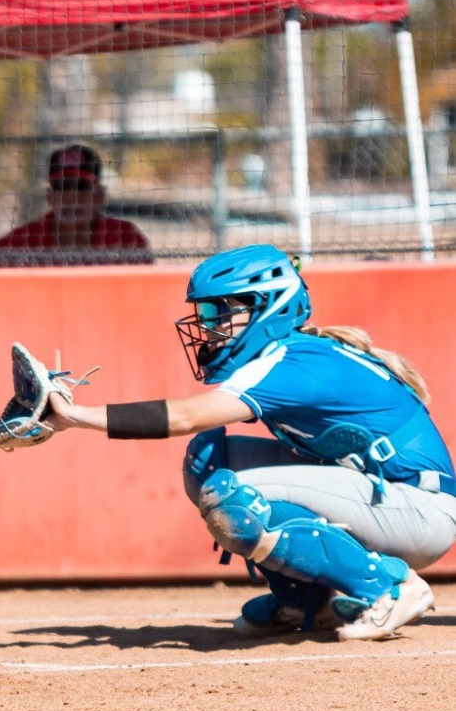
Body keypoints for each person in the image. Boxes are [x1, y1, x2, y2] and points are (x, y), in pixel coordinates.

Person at [44, 244, 455, 640]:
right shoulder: (287, 355)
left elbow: (186, 416)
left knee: (233, 494)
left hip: (420, 511)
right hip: (386, 500)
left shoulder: (294, 362)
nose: (208, 327)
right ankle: (310, 600)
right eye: (206, 313)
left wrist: (74, 417)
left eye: (219, 312)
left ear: (268, 306)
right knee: (210, 460)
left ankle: (387, 587)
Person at [0, 143, 154, 268]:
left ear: (100, 195)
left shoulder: (126, 239)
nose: (71, 196)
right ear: (49, 196)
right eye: (62, 186)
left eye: (82, 186)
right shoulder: (14, 245)